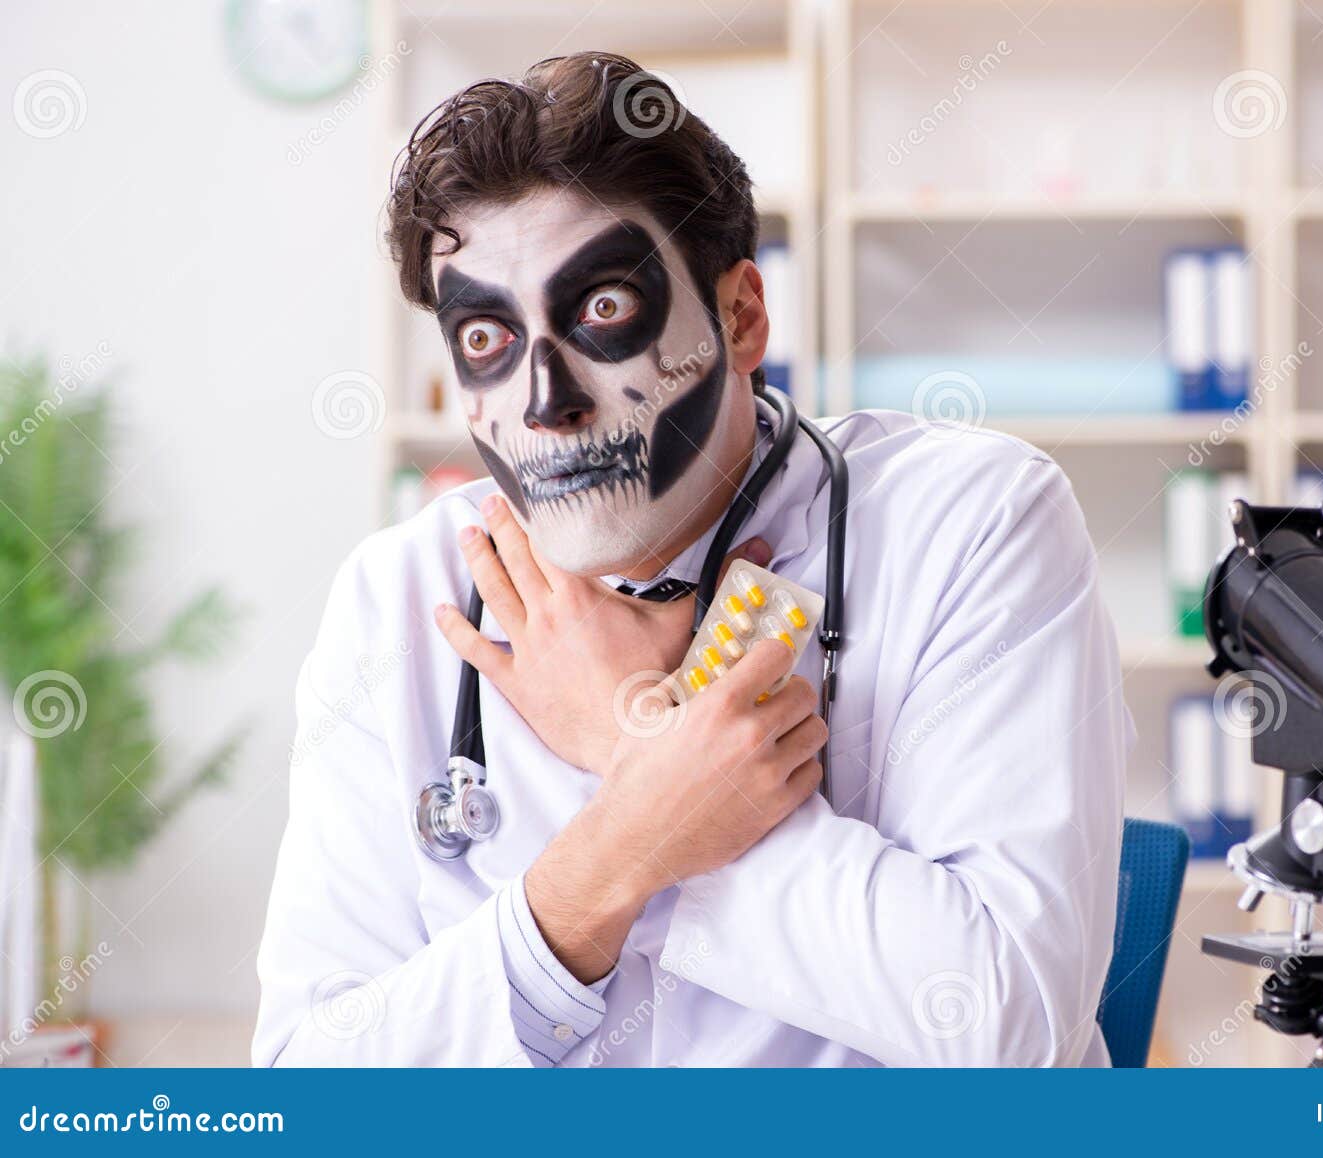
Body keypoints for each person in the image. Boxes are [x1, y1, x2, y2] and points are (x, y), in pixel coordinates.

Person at [252, 52, 1130, 1068]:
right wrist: (625, 840)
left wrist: (626, 727)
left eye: (603, 311)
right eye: (487, 337)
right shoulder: (404, 595)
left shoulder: (970, 521)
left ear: (741, 317)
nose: (546, 402)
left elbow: (1010, 1032)